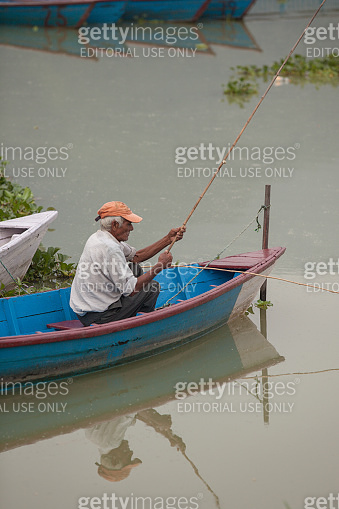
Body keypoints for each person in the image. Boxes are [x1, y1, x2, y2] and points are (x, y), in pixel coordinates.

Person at [70, 201, 185, 326]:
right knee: (152, 287)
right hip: (99, 316)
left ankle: (134, 314)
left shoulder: (99, 237)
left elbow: (136, 257)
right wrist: (159, 266)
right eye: (128, 224)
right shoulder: (111, 248)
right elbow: (131, 290)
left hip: (86, 312)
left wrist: (168, 239)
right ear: (115, 225)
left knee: (134, 268)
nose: (132, 228)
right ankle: (140, 326)